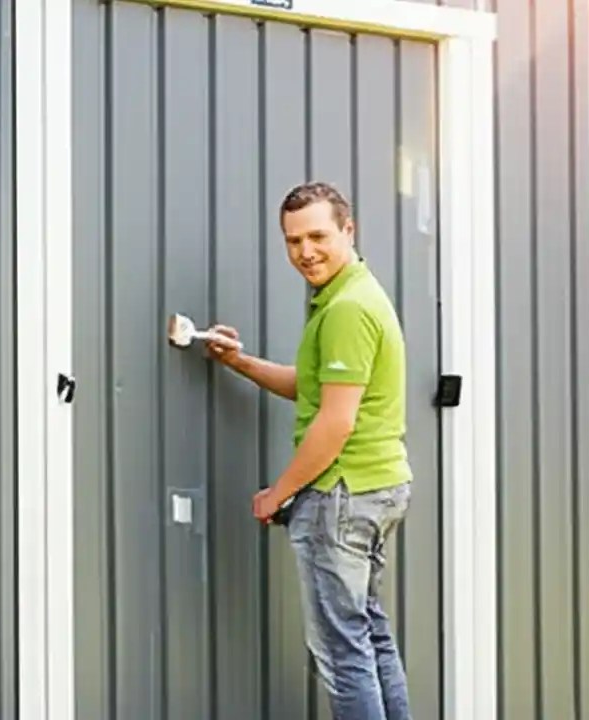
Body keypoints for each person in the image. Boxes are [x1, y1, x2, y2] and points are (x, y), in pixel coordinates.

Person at [205, 181, 413, 719]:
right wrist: (241, 362)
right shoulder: (352, 294)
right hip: (376, 488)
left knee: (344, 655)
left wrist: (280, 492)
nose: (306, 252)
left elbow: (336, 422)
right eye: (293, 241)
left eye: (318, 236)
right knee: (369, 639)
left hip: (341, 496)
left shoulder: (346, 308)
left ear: (349, 229)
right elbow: (317, 387)